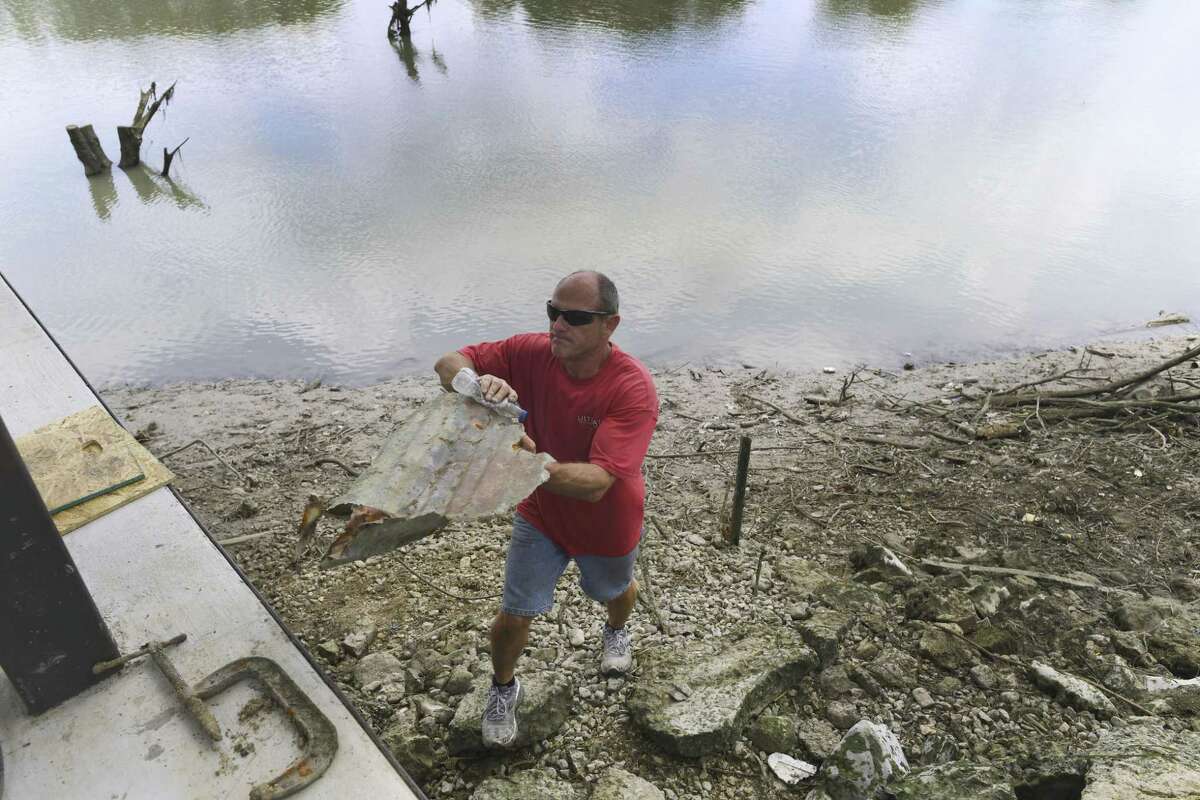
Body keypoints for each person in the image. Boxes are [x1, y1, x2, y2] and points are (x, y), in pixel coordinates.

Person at [433, 271, 658, 748]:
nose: (559, 325)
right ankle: (502, 687)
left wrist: (525, 463)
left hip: (607, 522)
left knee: (612, 588)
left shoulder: (632, 388)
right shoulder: (530, 351)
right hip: (540, 513)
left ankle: (616, 630)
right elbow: (447, 363)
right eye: (553, 311)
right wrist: (477, 384)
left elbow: (598, 483)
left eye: (575, 317)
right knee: (515, 614)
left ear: (609, 326)